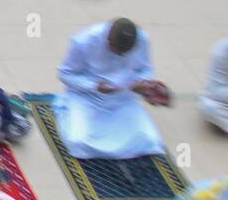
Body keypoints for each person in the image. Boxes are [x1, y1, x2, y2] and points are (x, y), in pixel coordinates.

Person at [55, 18, 166, 160]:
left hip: (123, 99)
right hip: (87, 98)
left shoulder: (142, 39)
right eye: (118, 51)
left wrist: (143, 83)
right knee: (77, 142)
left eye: (125, 52)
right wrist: (94, 86)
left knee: (151, 142)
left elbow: (145, 69)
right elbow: (65, 74)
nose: (121, 55)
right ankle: (65, 109)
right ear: (108, 39)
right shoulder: (84, 41)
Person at [199, 37, 228, 135]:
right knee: (210, 107)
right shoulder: (224, 52)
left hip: (225, 95)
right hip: (219, 96)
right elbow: (216, 92)